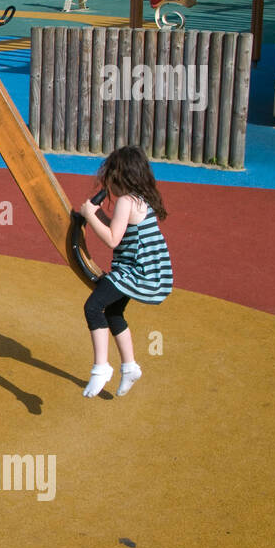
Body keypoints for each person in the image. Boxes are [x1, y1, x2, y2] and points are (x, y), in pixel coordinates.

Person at [78, 146, 173, 397]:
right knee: (113, 311)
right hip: (146, 270)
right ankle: (129, 366)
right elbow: (121, 232)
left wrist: (89, 214)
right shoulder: (139, 199)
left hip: (134, 271)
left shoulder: (124, 201)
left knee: (92, 307)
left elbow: (112, 240)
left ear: (120, 176)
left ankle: (101, 367)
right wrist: (98, 217)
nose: (106, 183)